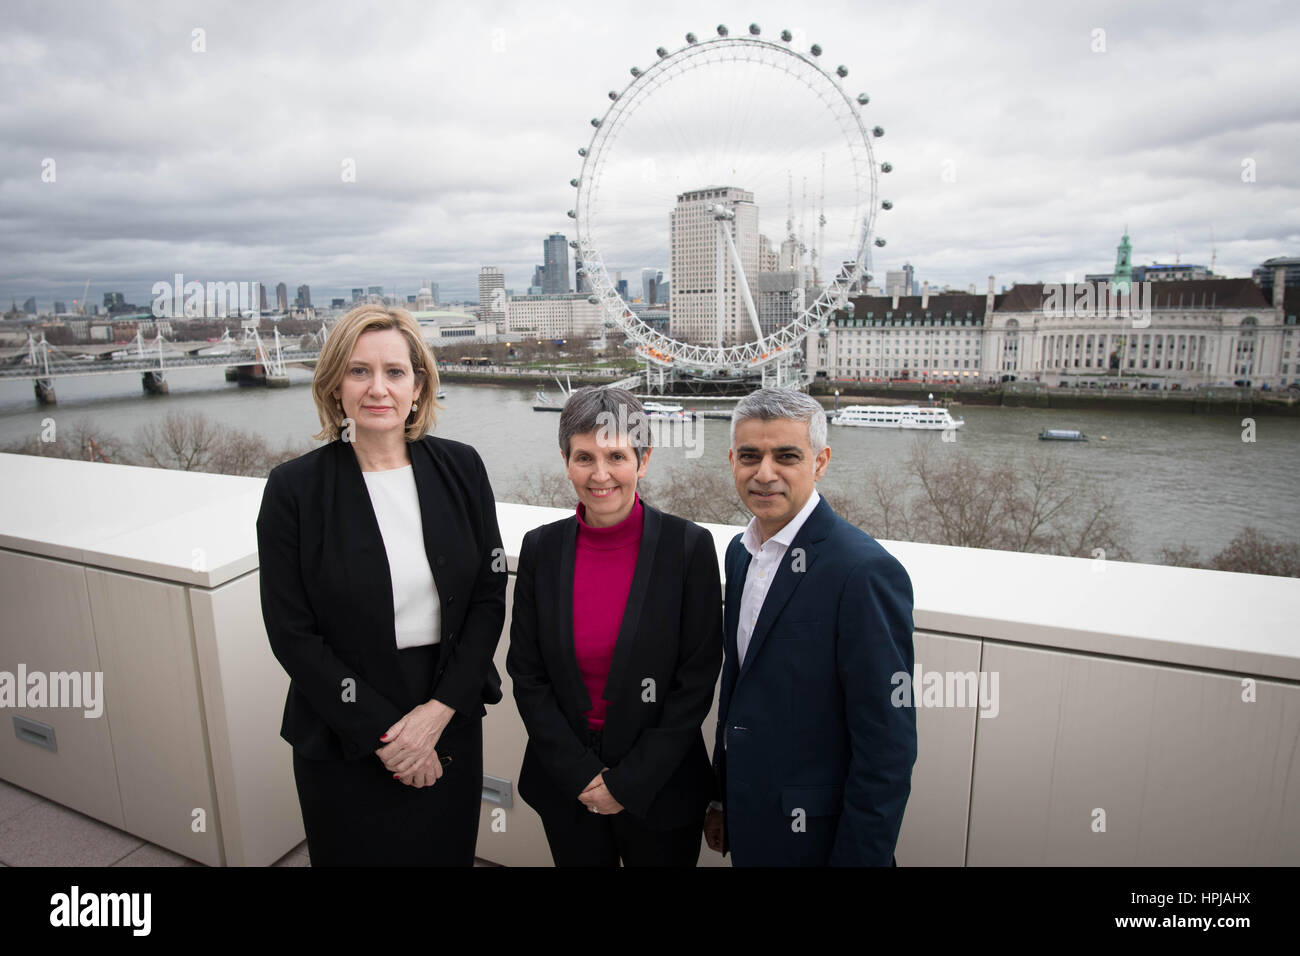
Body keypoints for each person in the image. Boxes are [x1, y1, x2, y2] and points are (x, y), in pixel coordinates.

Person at [256, 304, 506, 866]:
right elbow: (291, 632)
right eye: (358, 370)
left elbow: (489, 597)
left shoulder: (462, 468)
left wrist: (438, 712)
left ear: (418, 386)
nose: (378, 388)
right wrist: (391, 738)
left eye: (394, 372)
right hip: (342, 721)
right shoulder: (293, 490)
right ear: (333, 385)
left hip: (448, 706)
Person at [506, 387, 723, 866]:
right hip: (567, 786)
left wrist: (628, 783)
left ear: (643, 461)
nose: (600, 474)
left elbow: (696, 680)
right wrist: (580, 774)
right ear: (565, 461)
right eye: (584, 457)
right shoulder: (541, 550)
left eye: (616, 456)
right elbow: (527, 672)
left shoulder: (688, 549)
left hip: (662, 788)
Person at [704, 387, 916, 866]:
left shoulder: (863, 572)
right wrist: (722, 799)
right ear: (731, 459)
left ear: (820, 462)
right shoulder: (741, 553)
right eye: (750, 456)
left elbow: (888, 747)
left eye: (786, 456)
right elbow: (738, 689)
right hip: (752, 820)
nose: (764, 474)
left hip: (820, 841)